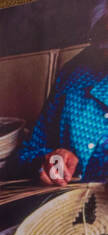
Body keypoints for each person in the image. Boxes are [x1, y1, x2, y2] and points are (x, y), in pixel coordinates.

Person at [12, 1, 108, 184]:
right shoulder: (74, 75)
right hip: (71, 204)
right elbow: (26, 154)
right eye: (104, 38)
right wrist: (48, 161)